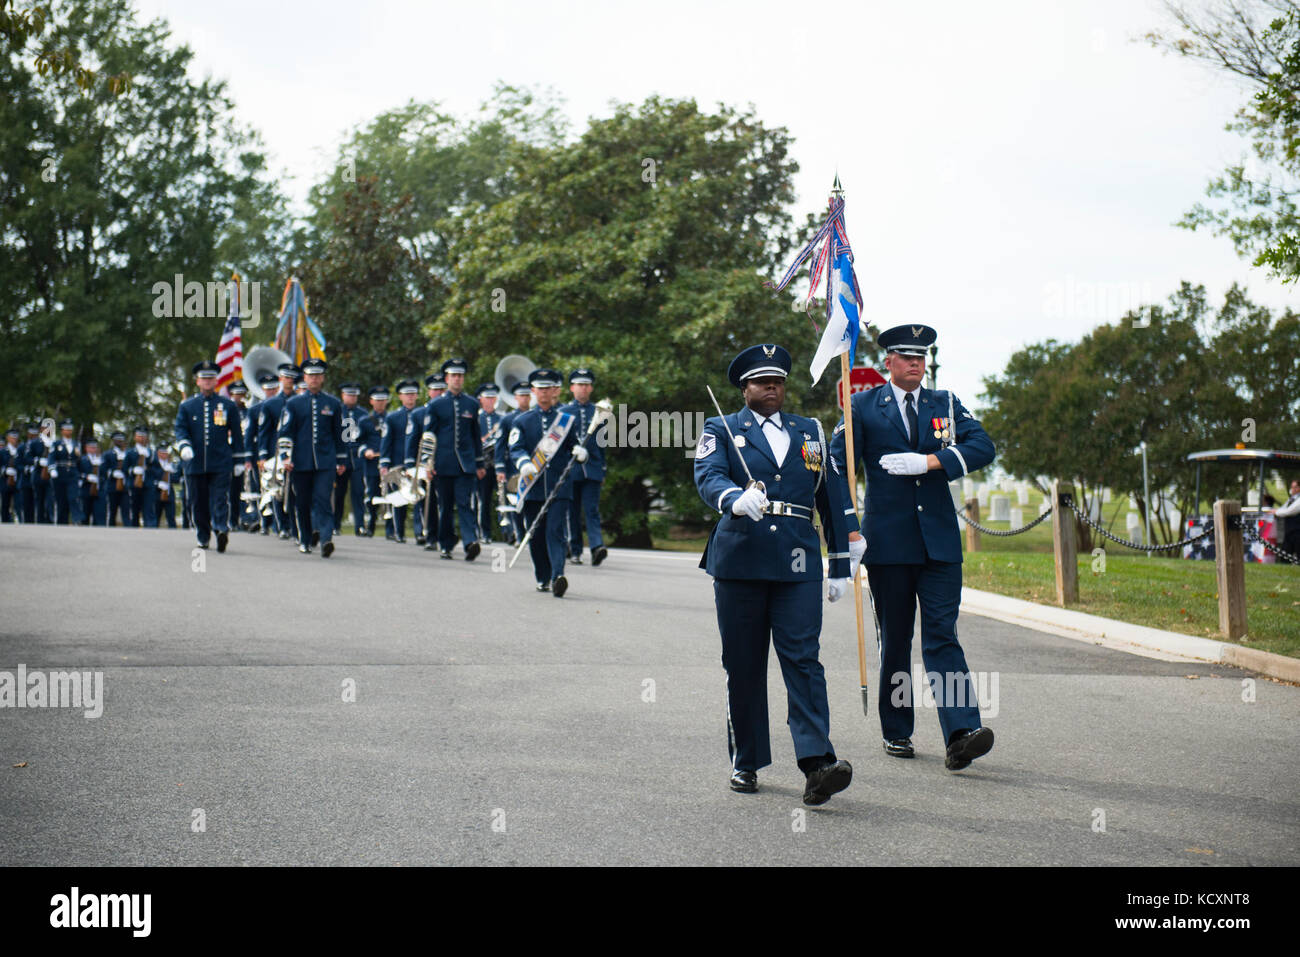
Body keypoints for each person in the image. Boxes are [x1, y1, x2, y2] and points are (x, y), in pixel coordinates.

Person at [693, 343, 856, 804]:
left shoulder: (811, 433)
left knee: (804, 660)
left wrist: (841, 563)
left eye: (778, 381)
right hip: (741, 561)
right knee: (743, 665)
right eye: (763, 381)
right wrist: (731, 498)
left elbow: (831, 496)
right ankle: (746, 760)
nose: (772, 388)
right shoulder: (721, 428)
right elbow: (707, 475)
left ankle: (817, 763)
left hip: (798, 561)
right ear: (744, 388)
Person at [830, 324, 996, 772]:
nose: (916, 364)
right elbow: (835, 468)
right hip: (888, 544)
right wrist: (849, 530)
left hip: (939, 543)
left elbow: (983, 446)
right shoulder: (862, 407)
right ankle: (897, 729)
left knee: (943, 636)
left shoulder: (944, 403)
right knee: (897, 639)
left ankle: (961, 732)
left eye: (923, 357)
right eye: (907, 357)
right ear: (888, 361)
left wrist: (931, 461)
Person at [508, 368, 584, 595]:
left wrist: (580, 452)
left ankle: (558, 575)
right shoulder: (522, 420)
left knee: (556, 531)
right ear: (533, 391)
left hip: (559, 486)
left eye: (548, 388)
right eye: (539, 388)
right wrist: (523, 462)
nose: (543, 393)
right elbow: (516, 447)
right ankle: (542, 575)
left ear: (555, 391)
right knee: (536, 535)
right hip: (533, 487)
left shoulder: (565, 421)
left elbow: (573, 444)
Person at [411, 358, 485, 561]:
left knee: (465, 504)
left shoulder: (471, 403)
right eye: (454, 376)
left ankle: (470, 542)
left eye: (460, 376)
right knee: (445, 506)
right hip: (442, 465)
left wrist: (479, 463)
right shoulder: (436, 405)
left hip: (465, 465)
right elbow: (428, 437)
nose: (458, 379)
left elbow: (475, 435)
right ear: (447, 378)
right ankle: (446, 544)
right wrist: (427, 464)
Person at [175, 359, 248, 552]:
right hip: (195, 463)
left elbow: (237, 435)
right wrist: (184, 446)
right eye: (203, 379)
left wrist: (239, 459)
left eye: (211, 378)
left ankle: (221, 529)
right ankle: (203, 534)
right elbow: (180, 429)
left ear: (216, 381)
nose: (207, 382)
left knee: (220, 498)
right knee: (198, 502)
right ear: (197, 381)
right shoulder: (187, 406)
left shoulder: (227, 406)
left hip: (220, 461)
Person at [277, 357, 346, 557]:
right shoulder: (293, 404)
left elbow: (339, 434)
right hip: (300, 461)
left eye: (317, 375)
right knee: (303, 502)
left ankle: (326, 539)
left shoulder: (333, 403)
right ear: (305, 377)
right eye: (310, 375)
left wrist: (341, 460)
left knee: (323, 499)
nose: (314, 379)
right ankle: (305, 539)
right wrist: (285, 456)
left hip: (325, 461)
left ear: (323, 378)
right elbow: (285, 432)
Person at [563, 368, 609, 566]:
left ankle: (597, 546)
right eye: (579, 385)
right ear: (572, 387)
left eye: (586, 385)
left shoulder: (598, 411)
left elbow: (603, 442)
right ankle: (575, 550)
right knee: (572, 511)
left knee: (591, 509)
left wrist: (603, 468)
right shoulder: (563, 411)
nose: (583, 388)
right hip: (570, 469)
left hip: (592, 468)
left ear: (591, 388)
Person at [258, 364, 301, 540]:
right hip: (275, 454)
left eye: (292, 377)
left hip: (297, 452)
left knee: (294, 491)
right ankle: (282, 525)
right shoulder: (271, 404)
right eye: (286, 377)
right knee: (277, 490)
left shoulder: (300, 402)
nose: (289, 381)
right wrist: (262, 455)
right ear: (281, 379)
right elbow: (264, 431)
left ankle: (293, 524)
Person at [379, 379, 420, 543]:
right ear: (400, 396)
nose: (410, 397)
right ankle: (399, 532)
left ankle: (419, 532)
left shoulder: (422, 414)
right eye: (407, 394)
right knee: (399, 499)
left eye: (413, 394)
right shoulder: (393, 417)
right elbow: (386, 440)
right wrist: (384, 463)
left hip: (417, 464)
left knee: (418, 498)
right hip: (398, 462)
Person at [495, 381, 533, 543]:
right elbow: (500, 445)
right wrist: (500, 468)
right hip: (513, 466)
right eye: (521, 395)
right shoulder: (507, 419)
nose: (524, 398)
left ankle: (531, 533)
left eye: (526, 395)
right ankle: (518, 533)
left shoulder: (534, 416)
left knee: (531, 500)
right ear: (516, 397)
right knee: (515, 500)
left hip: (533, 464)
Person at [333, 382, 367, 536]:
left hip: (357, 458)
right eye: (349, 395)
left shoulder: (363, 413)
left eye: (354, 395)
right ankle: (336, 524)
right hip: (341, 458)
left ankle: (360, 525)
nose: (352, 398)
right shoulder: (336, 411)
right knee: (339, 493)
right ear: (343, 395)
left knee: (358, 493)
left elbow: (369, 434)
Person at [358, 385, 390, 537]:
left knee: (391, 495)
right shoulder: (364, 421)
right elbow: (356, 442)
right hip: (371, 464)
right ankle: (370, 526)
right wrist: (366, 451)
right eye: (378, 400)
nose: (380, 403)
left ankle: (392, 530)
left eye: (383, 400)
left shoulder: (392, 419)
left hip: (390, 463)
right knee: (371, 495)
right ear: (371, 401)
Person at [476, 383, 504, 543]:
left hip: (498, 464)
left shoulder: (501, 418)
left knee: (503, 499)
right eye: (487, 397)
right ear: (481, 399)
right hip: (483, 465)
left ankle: (508, 532)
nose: (490, 400)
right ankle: (484, 533)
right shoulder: (477, 419)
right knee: (483, 501)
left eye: (493, 397)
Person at [124, 426, 156, 528]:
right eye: (139, 436)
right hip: (134, 484)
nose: (142, 438)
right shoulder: (130, 452)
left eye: (144, 436)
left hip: (148, 483)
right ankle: (133, 528)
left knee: (148, 507)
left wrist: (148, 466)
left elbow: (156, 468)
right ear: (135, 437)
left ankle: (150, 527)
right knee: (134, 508)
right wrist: (133, 470)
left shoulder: (151, 453)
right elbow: (124, 468)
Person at [103, 430, 130, 526]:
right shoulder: (107, 454)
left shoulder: (128, 453)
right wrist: (112, 473)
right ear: (113, 441)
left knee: (126, 511)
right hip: (112, 486)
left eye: (121, 440)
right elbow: (103, 469)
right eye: (117, 440)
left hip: (125, 486)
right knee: (112, 512)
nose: (119, 441)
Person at [79, 438, 106, 526]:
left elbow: (106, 473)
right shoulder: (82, 460)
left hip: (99, 490)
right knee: (84, 515)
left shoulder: (102, 460)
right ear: (86, 448)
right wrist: (86, 477)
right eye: (91, 447)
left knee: (99, 517)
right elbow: (76, 473)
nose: (93, 449)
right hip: (86, 490)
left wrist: (100, 478)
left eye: (95, 447)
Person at [1275, 478, 1300, 563]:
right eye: (1292, 487)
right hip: (1289, 532)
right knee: (1285, 554)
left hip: (1298, 532)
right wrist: (1277, 511)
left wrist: (1276, 512)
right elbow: (1284, 508)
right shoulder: (1291, 499)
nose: (1293, 489)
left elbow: (1289, 511)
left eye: (1295, 487)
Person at [1, 427, 21, 522]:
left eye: (16, 437)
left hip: (18, 481)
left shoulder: (20, 451)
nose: (14, 439)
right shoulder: (2, 451)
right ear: (8, 438)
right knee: (5, 504)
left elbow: (23, 463)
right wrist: (4, 471)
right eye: (12, 437)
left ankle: (20, 521)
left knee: (19, 504)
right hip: (5, 482)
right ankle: (5, 522)